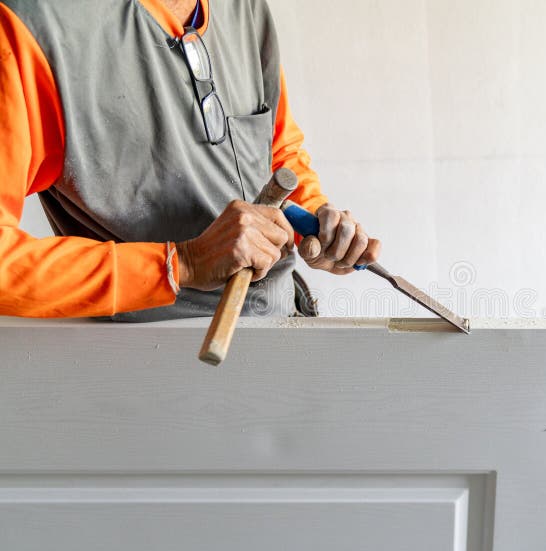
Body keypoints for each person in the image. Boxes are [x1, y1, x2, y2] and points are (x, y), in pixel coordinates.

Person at [0, 0, 381, 320]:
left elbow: (273, 151)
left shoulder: (244, 8)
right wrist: (180, 264)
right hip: (148, 374)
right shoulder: (31, 27)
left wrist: (314, 220)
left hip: (280, 328)